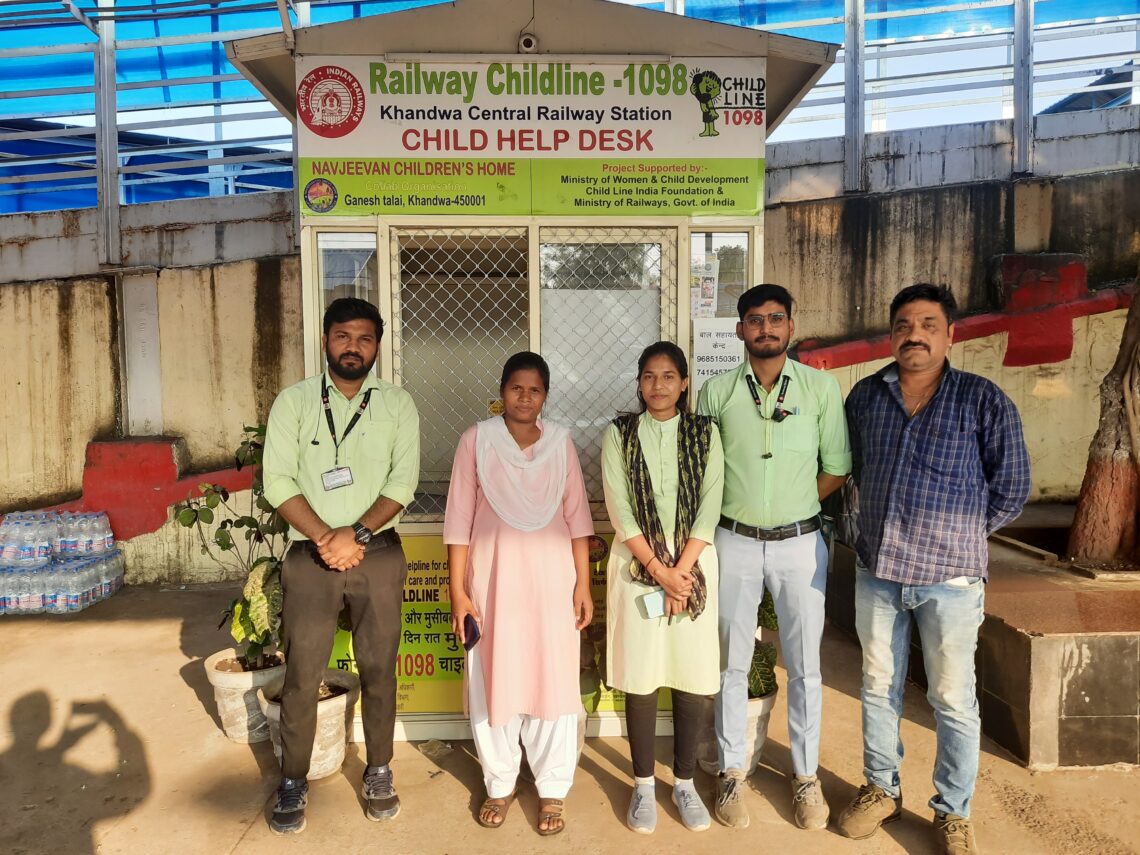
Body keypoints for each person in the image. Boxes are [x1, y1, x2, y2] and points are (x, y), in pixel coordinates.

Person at [837, 284, 1030, 855]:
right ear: (891, 334)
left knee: (951, 698)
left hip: (951, 581)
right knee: (877, 687)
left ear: (951, 334)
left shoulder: (982, 400)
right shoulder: (866, 397)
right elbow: (846, 469)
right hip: (878, 570)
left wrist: (963, 534)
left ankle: (953, 811)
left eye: (927, 323)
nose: (913, 334)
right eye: (903, 324)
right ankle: (881, 788)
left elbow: (1013, 487)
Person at [261, 297, 420, 835]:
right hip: (311, 556)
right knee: (303, 674)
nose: (353, 347)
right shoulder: (294, 402)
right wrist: (326, 536)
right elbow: (277, 481)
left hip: (376, 554)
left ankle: (378, 770)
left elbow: (403, 482)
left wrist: (356, 533)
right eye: (343, 336)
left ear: (377, 345)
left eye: (365, 338)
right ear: (325, 340)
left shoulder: (397, 404)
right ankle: (293, 778)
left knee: (379, 669)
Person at [697, 284, 851, 831]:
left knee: (806, 665)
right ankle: (731, 772)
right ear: (739, 330)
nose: (765, 328)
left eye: (775, 318)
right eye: (754, 320)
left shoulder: (819, 388)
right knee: (730, 662)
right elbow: (703, 475)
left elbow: (836, 465)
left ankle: (805, 778)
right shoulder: (714, 393)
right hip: (732, 542)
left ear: (791, 327)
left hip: (799, 544)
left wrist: (794, 505)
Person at [444, 351, 594, 836]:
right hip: (492, 580)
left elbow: (577, 519)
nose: (524, 397)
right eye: (516, 388)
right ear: (502, 391)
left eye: (534, 390)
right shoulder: (476, 441)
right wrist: (459, 595)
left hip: (552, 583)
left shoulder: (561, 444)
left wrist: (583, 586)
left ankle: (552, 787)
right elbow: (459, 522)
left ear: (545, 396)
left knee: (552, 676)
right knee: (496, 676)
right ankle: (500, 781)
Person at [602, 342, 724, 834]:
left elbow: (711, 502)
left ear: (685, 382)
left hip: (693, 561)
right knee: (643, 674)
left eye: (669, 376)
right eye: (649, 377)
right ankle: (644, 785)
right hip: (639, 564)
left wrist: (683, 571)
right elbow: (619, 505)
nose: (658, 385)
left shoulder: (704, 432)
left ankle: (687, 782)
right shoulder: (620, 434)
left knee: (692, 675)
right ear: (638, 382)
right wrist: (661, 570)